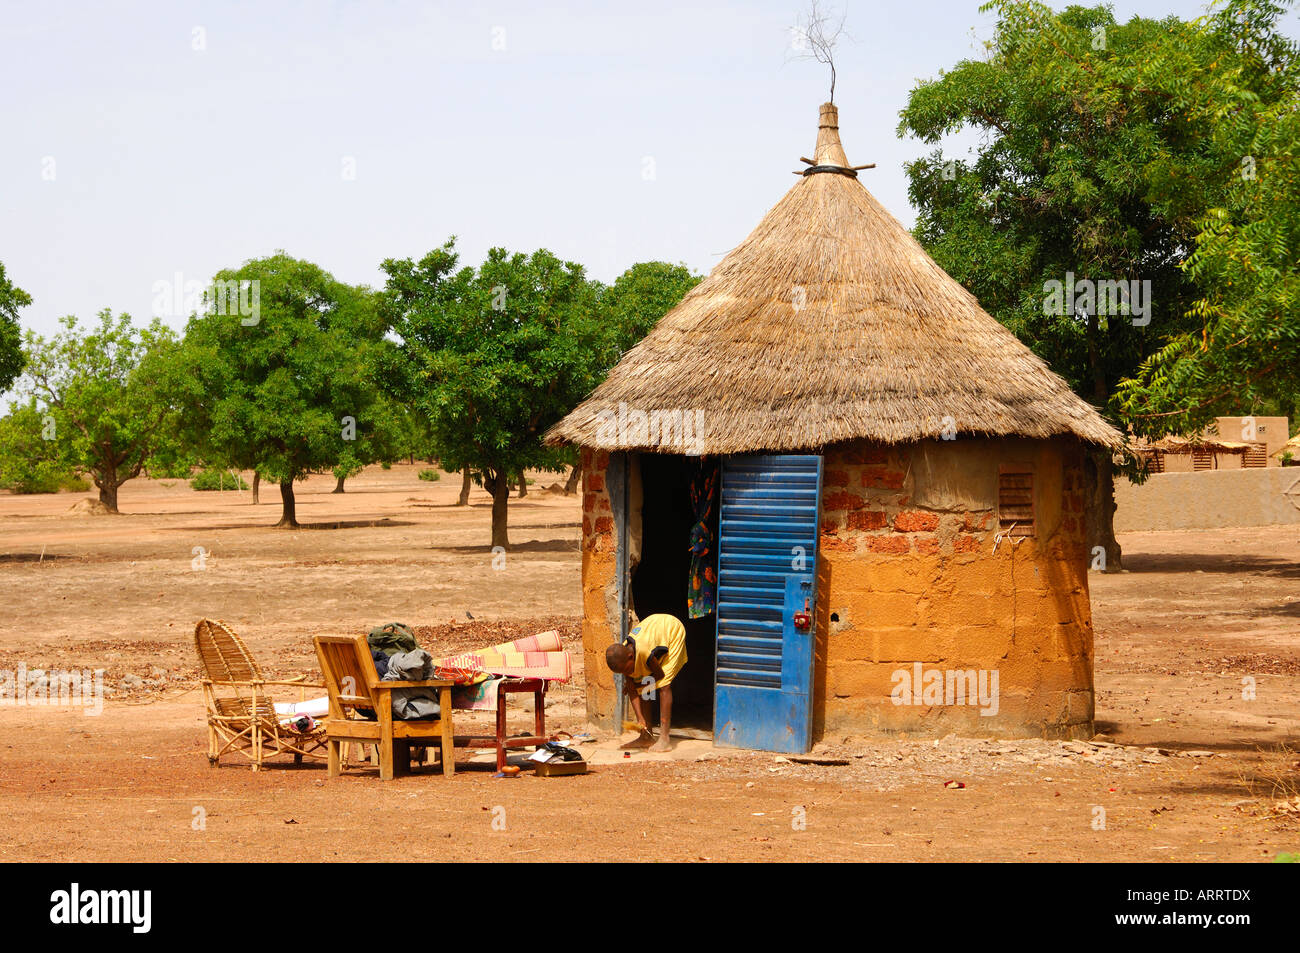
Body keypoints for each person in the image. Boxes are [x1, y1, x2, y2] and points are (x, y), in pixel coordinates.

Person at [605, 614, 687, 752]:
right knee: (644, 684)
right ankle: (646, 737)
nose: (627, 674)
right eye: (623, 673)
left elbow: (659, 675)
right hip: (654, 630)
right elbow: (632, 690)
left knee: (664, 685)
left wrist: (638, 685)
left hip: (672, 629)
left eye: (626, 670)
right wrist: (640, 718)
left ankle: (664, 739)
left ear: (631, 657)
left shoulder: (643, 652)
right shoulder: (624, 660)